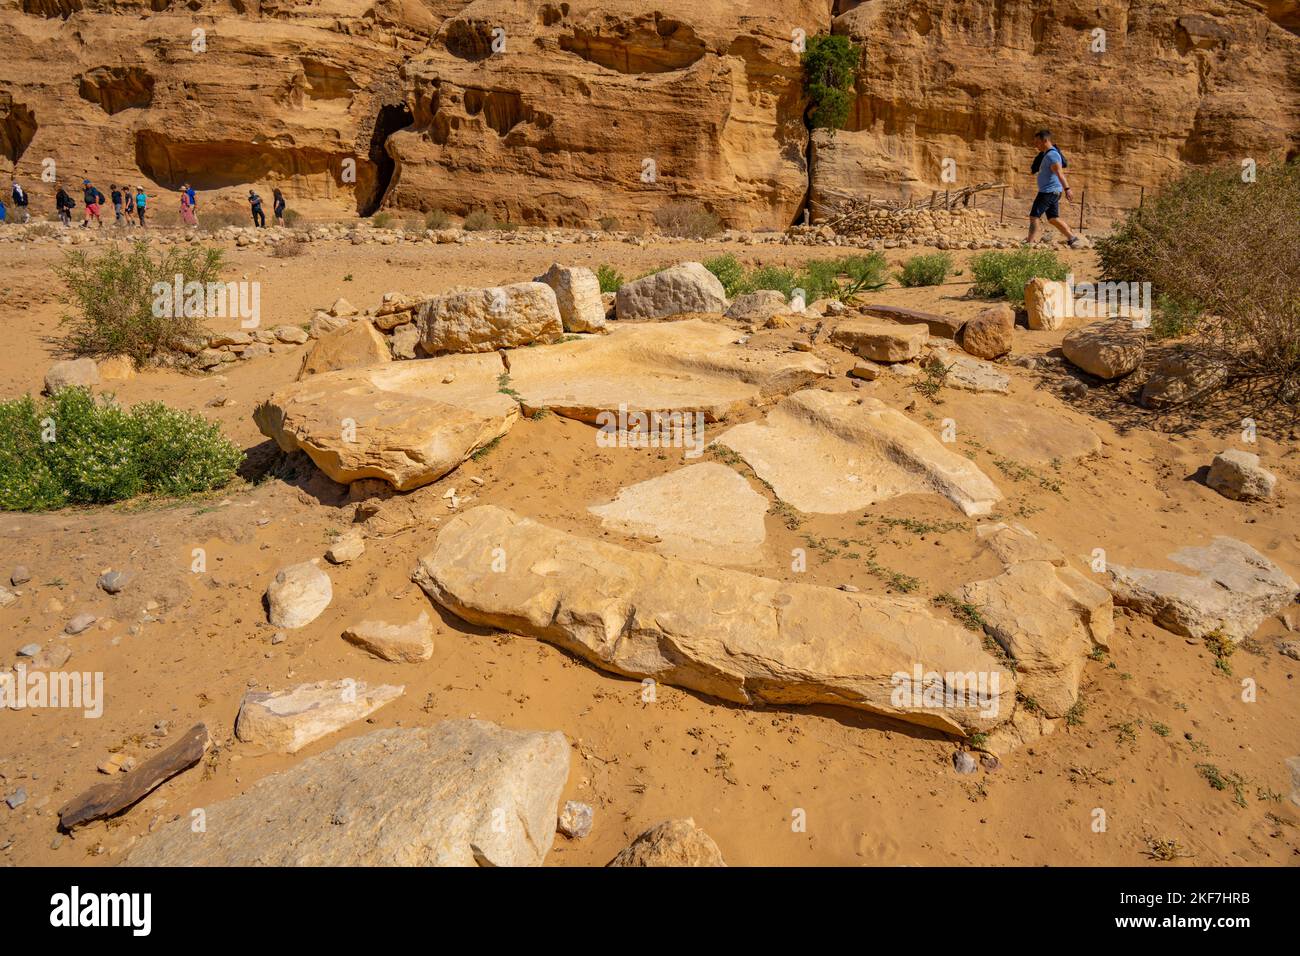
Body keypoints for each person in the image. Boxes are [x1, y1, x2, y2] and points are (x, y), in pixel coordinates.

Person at [1027, 130, 1083, 248]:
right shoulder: (1048, 154)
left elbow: (1059, 173)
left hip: (1048, 191)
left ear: (1045, 140)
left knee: (1034, 216)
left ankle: (1029, 243)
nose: (1036, 145)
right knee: (1053, 218)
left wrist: (1067, 188)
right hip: (1052, 191)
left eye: (1037, 142)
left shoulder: (1052, 155)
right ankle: (1072, 238)